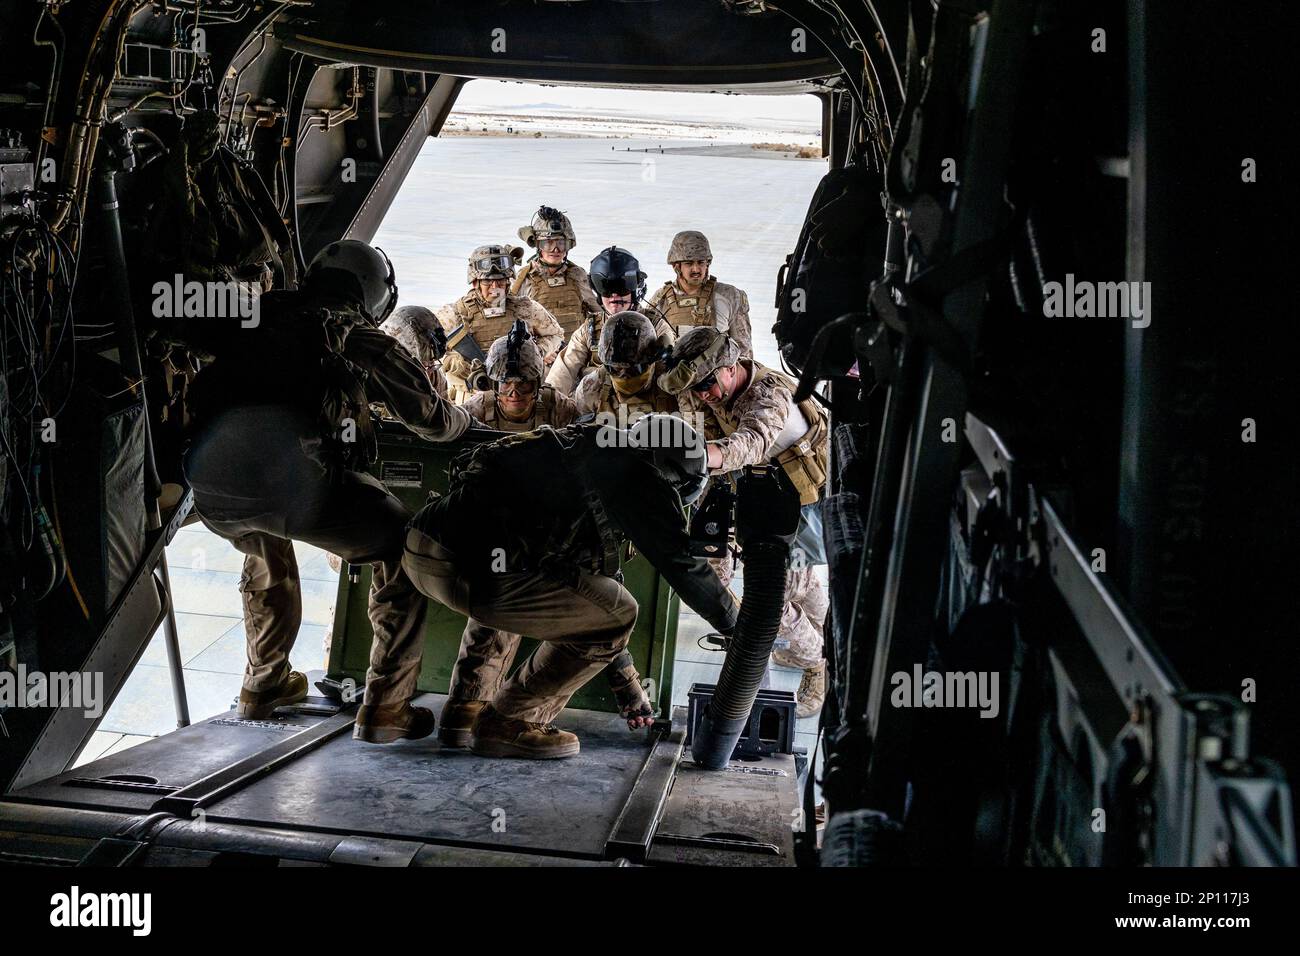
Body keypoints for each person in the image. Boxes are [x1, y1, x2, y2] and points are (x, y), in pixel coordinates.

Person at [183, 240, 474, 742]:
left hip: (212, 484)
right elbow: (432, 421)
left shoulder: (256, 314)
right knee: (404, 547)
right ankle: (388, 705)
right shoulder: (356, 334)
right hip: (295, 484)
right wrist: (464, 419)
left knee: (264, 552)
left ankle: (263, 684)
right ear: (374, 294)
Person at [403, 415, 738, 758]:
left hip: (423, 552)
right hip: (476, 572)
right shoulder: (636, 474)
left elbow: (592, 591)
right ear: (671, 474)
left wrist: (627, 683)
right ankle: (509, 721)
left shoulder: (583, 446)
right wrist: (736, 626)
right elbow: (680, 564)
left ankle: (465, 711)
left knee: (521, 577)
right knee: (618, 611)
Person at [658, 327, 830, 717]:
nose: (703, 394)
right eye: (696, 387)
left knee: (773, 599)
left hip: (797, 505)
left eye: (707, 384)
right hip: (753, 493)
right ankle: (829, 633)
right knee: (779, 581)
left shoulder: (770, 394)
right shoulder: (716, 388)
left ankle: (816, 663)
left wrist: (698, 456)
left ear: (731, 367)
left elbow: (749, 444)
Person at [434, 244, 565, 403]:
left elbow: (555, 334)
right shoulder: (454, 314)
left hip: (519, 395)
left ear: (508, 281)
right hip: (472, 395)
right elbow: (427, 349)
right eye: (488, 282)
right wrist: (452, 361)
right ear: (475, 282)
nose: (495, 288)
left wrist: (536, 353)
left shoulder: (525, 308)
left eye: (500, 281)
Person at [545, 246, 674, 395]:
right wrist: (550, 401)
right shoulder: (589, 330)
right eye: (605, 287)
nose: (614, 295)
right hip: (598, 406)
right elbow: (565, 370)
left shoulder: (655, 325)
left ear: (635, 289)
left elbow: (671, 356)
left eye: (621, 287)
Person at [647, 230, 753, 358]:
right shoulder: (660, 300)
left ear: (707, 263)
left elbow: (744, 352)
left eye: (701, 262)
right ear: (676, 266)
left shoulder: (729, 296)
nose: (696, 269)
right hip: (673, 375)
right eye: (689, 263)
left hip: (718, 375)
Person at [461, 329, 577, 433]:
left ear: (537, 384)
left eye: (523, 384)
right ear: (493, 385)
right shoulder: (475, 410)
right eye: (505, 384)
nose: (515, 394)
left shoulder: (560, 408)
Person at [574, 310, 679, 423]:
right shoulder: (590, 388)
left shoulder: (676, 381)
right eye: (616, 368)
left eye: (633, 369)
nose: (624, 375)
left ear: (651, 361)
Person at [511, 206, 600, 340]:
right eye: (548, 243)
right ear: (538, 245)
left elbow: (597, 312)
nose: (555, 249)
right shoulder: (524, 278)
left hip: (576, 352)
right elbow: (510, 318)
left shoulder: (577, 275)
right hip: (542, 354)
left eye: (561, 243)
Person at [380, 304, 450, 399]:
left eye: (430, 363)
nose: (428, 372)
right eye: (422, 365)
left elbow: (444, 410)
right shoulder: (374, 378)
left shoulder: (433, 374)